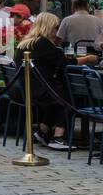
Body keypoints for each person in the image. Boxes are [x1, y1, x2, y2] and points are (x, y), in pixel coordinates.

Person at [14, 13, 69, 150]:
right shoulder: (43, 43)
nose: (57, 31)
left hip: (27, 89)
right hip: (39, 91)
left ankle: (43, 132)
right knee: (65, 98)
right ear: (49, 27)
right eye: (56, 28)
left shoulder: (25, 43)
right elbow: (64, 62)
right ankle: (58, 137)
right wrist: (87, 59)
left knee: (57, 95)